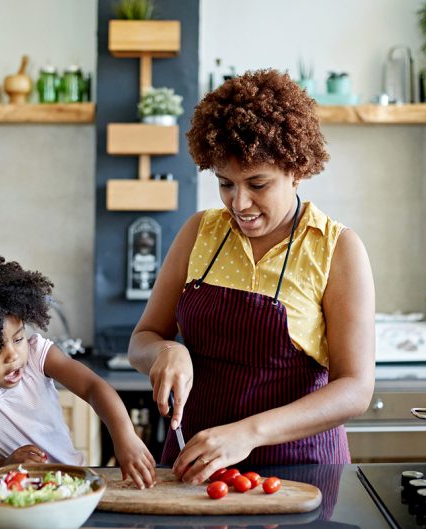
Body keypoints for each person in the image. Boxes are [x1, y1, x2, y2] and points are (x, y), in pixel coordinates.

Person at [128, 69, 375, 484]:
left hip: (300, 473)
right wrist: (166, 351)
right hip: (195, 466)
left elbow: (355, 388)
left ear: (296, 169)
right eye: (225, 184)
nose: (239, 203)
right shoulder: (200, 232)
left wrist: (248, 433)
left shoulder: (335, 248)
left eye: (257, 184)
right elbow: (142, 339)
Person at [0, 242, 156, 488]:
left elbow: (93, 386)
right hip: (7, 489)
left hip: (69, 482)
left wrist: (125, 436)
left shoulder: (38, 355)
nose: (13, 355)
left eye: (19, 338)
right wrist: (4, 464)